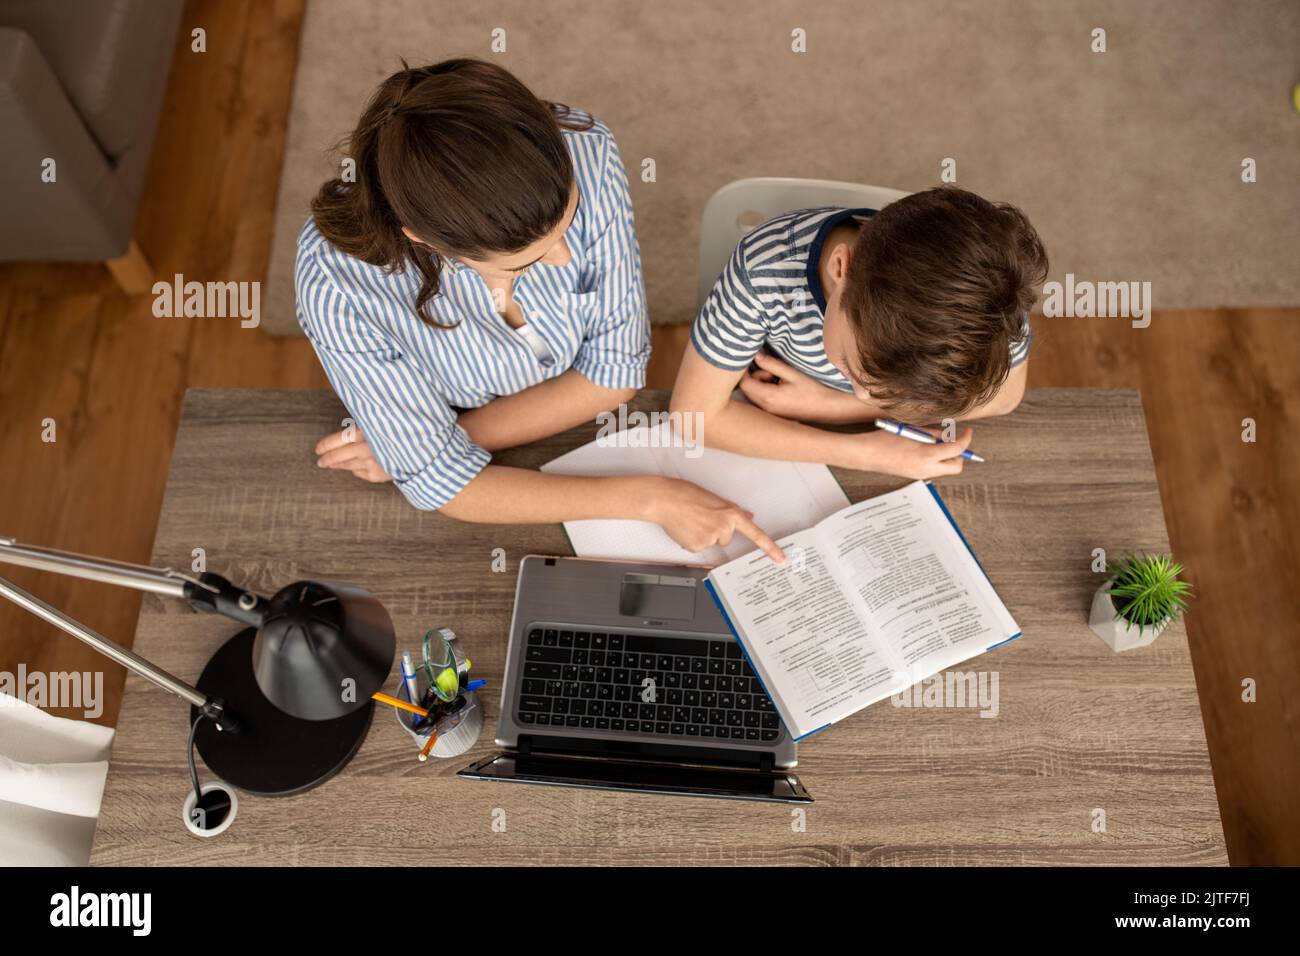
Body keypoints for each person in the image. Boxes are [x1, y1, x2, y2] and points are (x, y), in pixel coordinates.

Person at [295, 58, 781, 560]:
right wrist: (650, 498)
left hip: (478, 425)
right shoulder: (336, 285)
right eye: (525, 262)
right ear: (425, 240)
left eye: (569, 219)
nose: (566, 257)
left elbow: (615, 374)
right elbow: (450, 491)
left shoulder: (586, 148)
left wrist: (431, 446)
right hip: (466, 406)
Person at [670, 186, 1048, 479]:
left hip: (792, 411)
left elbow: (1007, 396)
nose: (861, 394)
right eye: (851, 367)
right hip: (766, 411)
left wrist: (834, 408)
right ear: (839, 269)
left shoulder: (990, 301)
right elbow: (692, 416)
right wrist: (868, 453)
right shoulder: (764, 272)